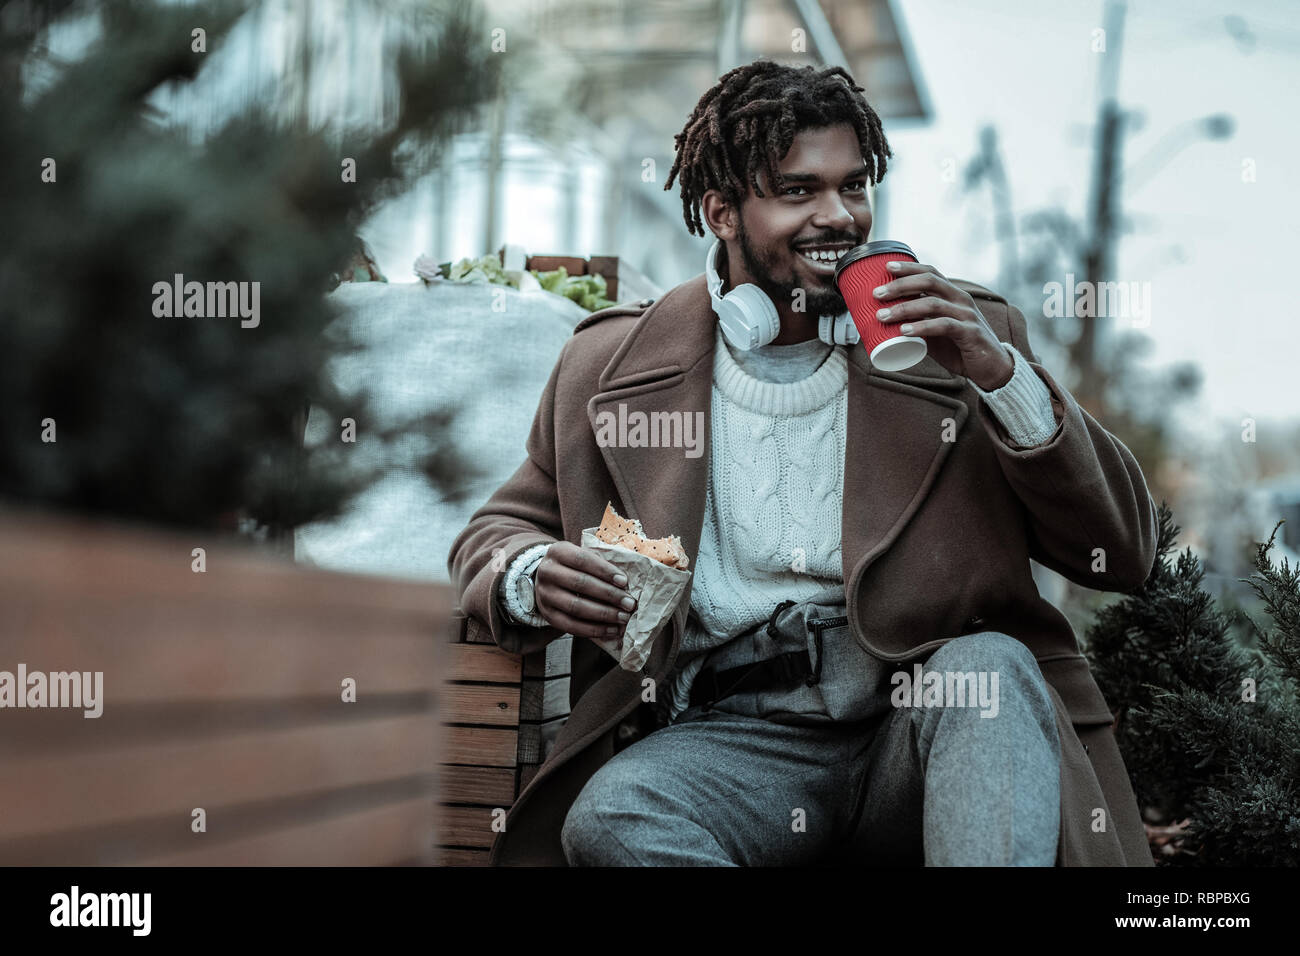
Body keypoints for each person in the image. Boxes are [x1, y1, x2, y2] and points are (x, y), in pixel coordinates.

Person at [447, 59, 1158, 867]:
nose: (840, 216)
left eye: (853, 187)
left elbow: (1123, 553)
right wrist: (528, 572)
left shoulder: (964, 341)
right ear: (720, 212)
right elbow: (500, 527)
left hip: (923, 721)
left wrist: (1002, 380)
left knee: (988, 669)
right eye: (798, 192)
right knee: (611, 815)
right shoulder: (605, 365)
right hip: (734, 743)